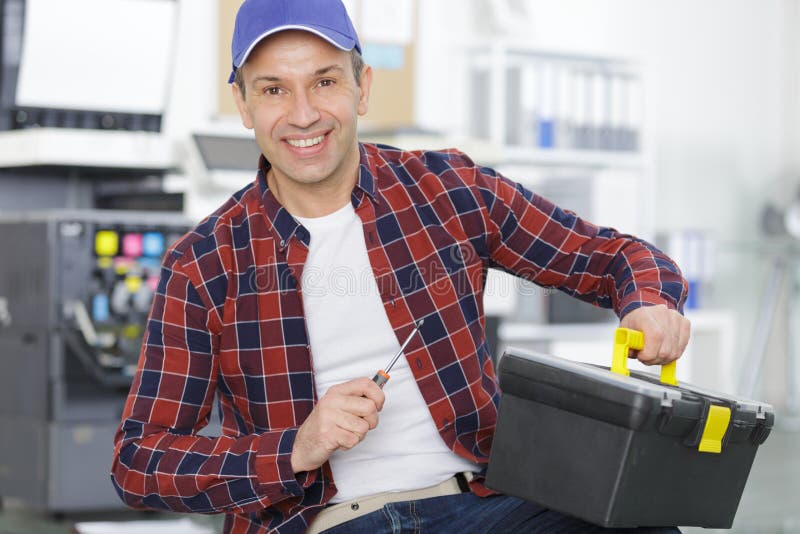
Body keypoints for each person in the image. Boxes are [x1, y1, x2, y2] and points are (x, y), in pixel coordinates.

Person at [110, 0, 691, 532]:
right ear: (243, 105)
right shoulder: (203, 263)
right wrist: (294, 447)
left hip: (488, 504)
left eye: (325, 81)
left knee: (646, 523)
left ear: (362, 87)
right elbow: (138, 462)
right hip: (330, 521)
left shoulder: (449, 190)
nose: (304, 114)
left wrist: (647, 303)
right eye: (273, 90)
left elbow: (615, 257)